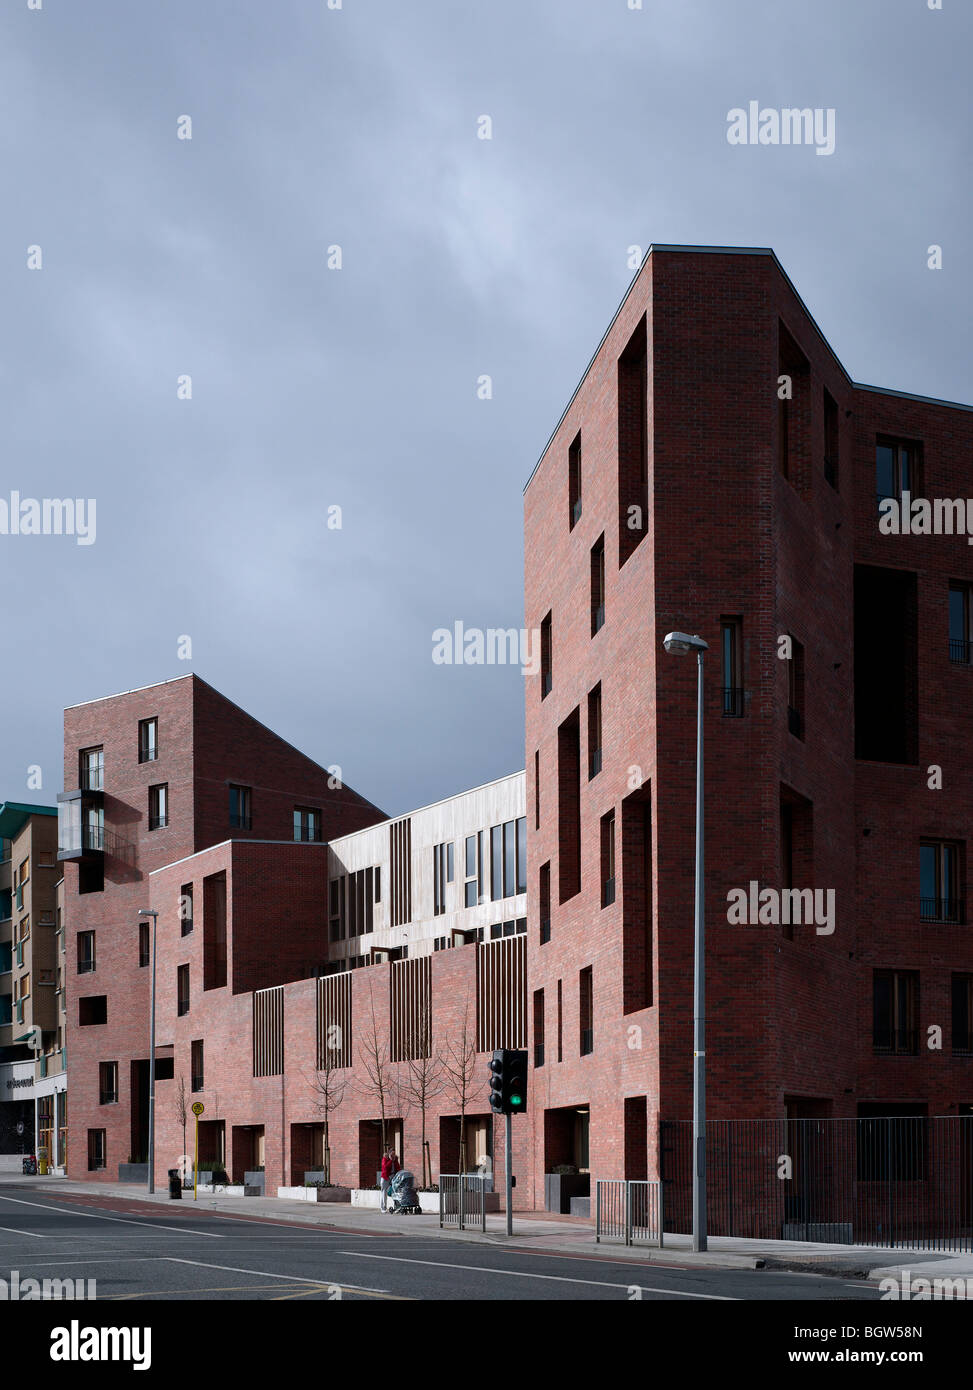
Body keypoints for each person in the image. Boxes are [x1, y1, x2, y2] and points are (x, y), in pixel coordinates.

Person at [380, 1146, 400, 1211]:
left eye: (394, 1154)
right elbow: (385, 1167)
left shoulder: (395, 1159)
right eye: (392, 1154)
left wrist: (395, 1161)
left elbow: (398, 1168)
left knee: (395, 1191)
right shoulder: (385, 1159)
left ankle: (397, 1207)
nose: (393, 1155)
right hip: (385, 1177)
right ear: (389, 1154)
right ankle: (383, 1208)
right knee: (384, 1192)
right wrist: (391, 1161)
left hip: (393, 1177)